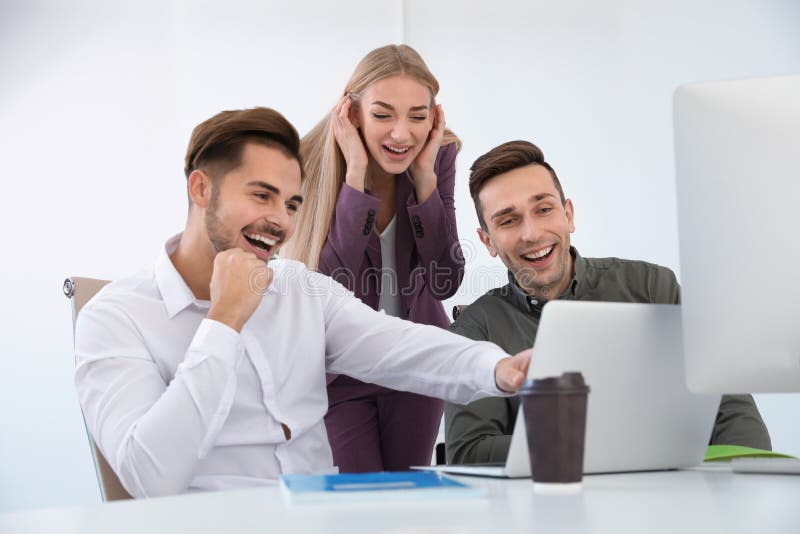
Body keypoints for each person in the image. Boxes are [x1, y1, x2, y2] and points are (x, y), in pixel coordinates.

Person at [73, 107, 531, 498]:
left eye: (292, 205)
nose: (279, 221)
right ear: (201, 189)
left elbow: (398, 345)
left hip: (320, 516)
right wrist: (224, 320)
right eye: (261, 195)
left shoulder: (298, 289)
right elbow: (148, 476)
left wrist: (499, 369)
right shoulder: (114, 317)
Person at [444, 140, 771, 465]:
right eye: (508, 220)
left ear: (568, 215)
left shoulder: (653, 289)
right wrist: (608, 443)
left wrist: (746, 490)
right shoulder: (475, 331)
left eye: (544, 209)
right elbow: (470, 451)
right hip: (548, 511)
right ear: (488, 240)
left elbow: (729, 408)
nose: (531, 233)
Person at [282, 45, 463, 472]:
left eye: (417, 117)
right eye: (383, 115)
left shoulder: (439, 158)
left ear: (433, 118)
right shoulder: (307, 161)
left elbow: (446, 281)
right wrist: (356, 178)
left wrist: (425, 184)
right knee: (358, 505)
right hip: (340, 372)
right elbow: (327, 285)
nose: (402, 134)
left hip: (416, 364)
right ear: (352, 111)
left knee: (405, 504)